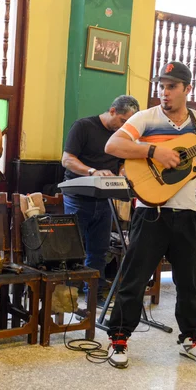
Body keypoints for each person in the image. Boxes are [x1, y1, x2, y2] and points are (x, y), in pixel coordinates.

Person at [104, 61, 196, 369]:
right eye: (162, 85)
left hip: (188, 212)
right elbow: (113, 144)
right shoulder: (145, 117)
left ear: (188, 89)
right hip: (151, 212)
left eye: (172, 86)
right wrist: (153, 152)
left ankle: (192, 338)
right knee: (134, 279)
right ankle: (119, 338)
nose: (165, 92)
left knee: (190, 282)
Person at [61, 95, 139, 308]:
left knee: (99, 249)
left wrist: (123, 172)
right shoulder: (84, 126)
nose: (124, 127)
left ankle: (95, 295)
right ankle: (67, 296)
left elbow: (122, 163)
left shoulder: (121, 136)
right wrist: (93, 171)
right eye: (123, 121)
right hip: (78, 196)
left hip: (105, 198)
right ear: (112, 111)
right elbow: (67, 160)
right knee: (73, 248)